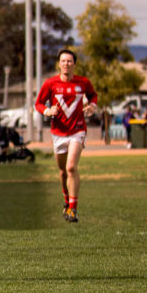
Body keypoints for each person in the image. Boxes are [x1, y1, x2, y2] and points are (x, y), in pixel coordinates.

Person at [35, 48, 98, 223]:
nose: (66, 64)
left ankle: (73, 209)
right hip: (58, 133)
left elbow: (93, 96)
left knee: (71, 167)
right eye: (63, 61)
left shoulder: (83, 82)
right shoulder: (50, 84)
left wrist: (92, 106)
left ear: (74, 64)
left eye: (69, 61)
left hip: (77, 131)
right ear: (59, 64)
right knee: (63, 172)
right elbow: (38, 103)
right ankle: (66, 201)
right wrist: (48, 111)